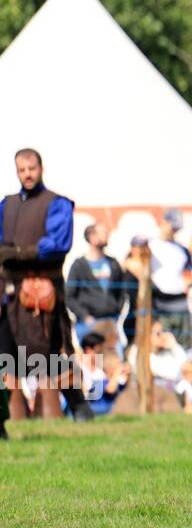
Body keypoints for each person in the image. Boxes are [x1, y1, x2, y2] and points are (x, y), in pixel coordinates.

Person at [0, 148, 93, 425]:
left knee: (50, 353)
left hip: (42, 291)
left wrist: (19, 252)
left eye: (32, 168)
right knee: (4, 356)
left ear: (41, 168)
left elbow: (58, 244)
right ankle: (3, 422)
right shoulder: (7, 204)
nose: (27, 174)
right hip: (8, 292)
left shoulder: (57, 204)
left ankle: (78, 405)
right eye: (22, 170)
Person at [66, 223, 129, 344]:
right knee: (93, 361)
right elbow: (69, 297)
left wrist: (116, 313)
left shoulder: (113, 263)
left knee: (115, 359)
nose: (107, 235)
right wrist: (85, 317)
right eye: (103, 233)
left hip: (110, 323)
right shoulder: (79, 265)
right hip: (87, 325)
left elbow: (122, 291)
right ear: (92, 237)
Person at [150, 208, 192, 347]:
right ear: (163, 223)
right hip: (159, 305)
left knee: (183, 347)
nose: (174, 230)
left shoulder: (183, 249)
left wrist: (189, 281)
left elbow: (188, 272)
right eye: (172, 226)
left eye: (177, 228)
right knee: (163, 347)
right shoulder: (150, 246)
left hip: (180, 305)